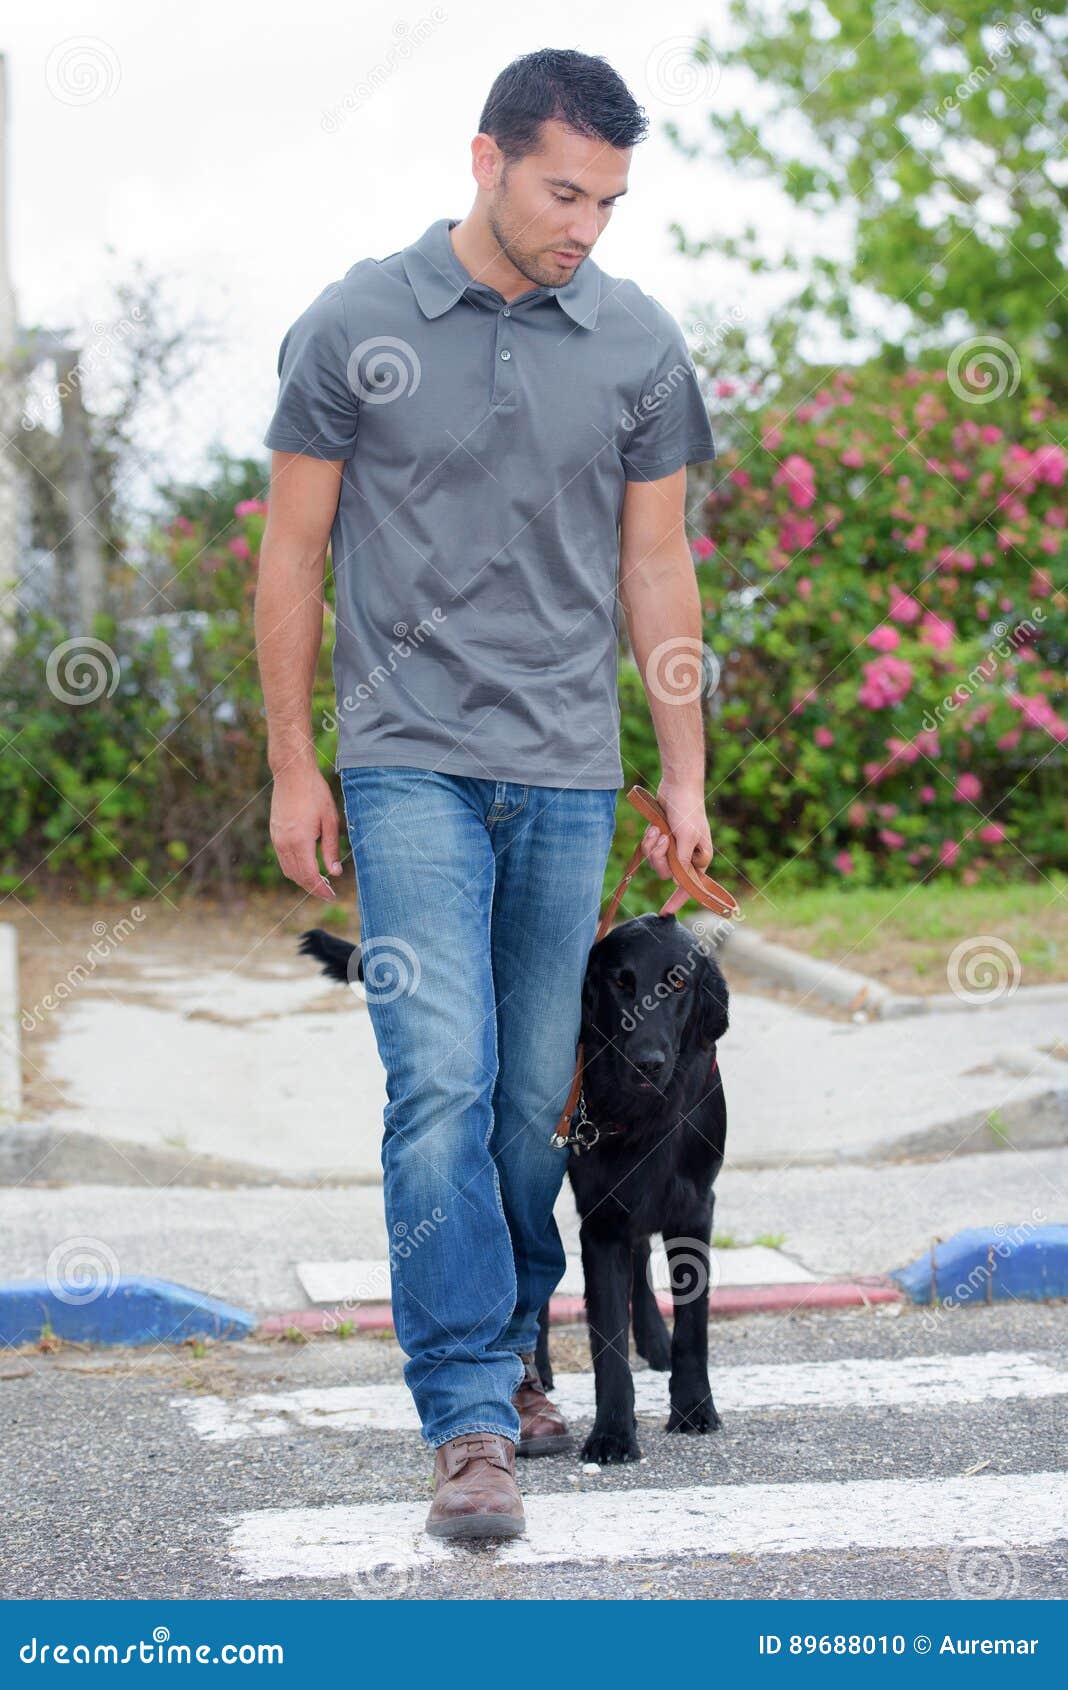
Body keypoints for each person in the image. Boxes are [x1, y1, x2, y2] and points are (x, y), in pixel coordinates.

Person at [255, 46, 717, 1541]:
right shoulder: (357, 322)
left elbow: (658, 568)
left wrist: (685, 771)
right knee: (441, 1077)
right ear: (487, 159)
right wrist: (290, 760)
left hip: (570, 772)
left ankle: (518, 1336)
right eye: (563, 189)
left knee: (533, 1103)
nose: (588, 222)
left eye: (611, 198)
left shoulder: (636, 339)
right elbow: (293, 552)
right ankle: (468, 1408)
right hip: (407, 764)